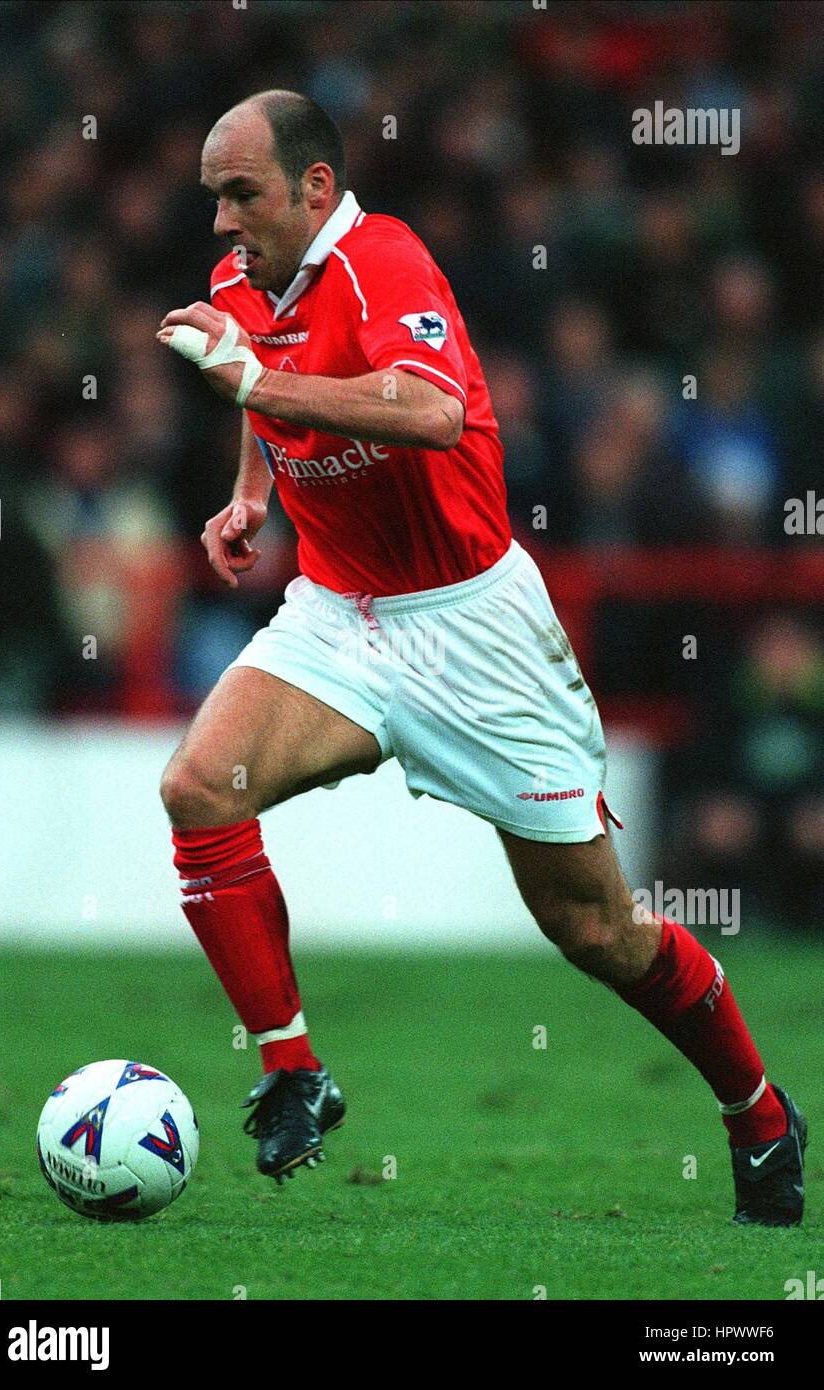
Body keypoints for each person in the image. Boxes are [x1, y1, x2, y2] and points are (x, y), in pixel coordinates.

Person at [156, 90, 804, 1223]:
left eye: (240, 193)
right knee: (199, 786)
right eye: (212, 195)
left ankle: (755, 1112)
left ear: (315, 187)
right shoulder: (237, 284)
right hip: (340, 614)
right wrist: (249, 488)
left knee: (594, 930)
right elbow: (253, 384)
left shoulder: (385, 263)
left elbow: (431, 412)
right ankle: (291, 1067)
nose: (219, 221)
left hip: (474, 630)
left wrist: (255, 385)